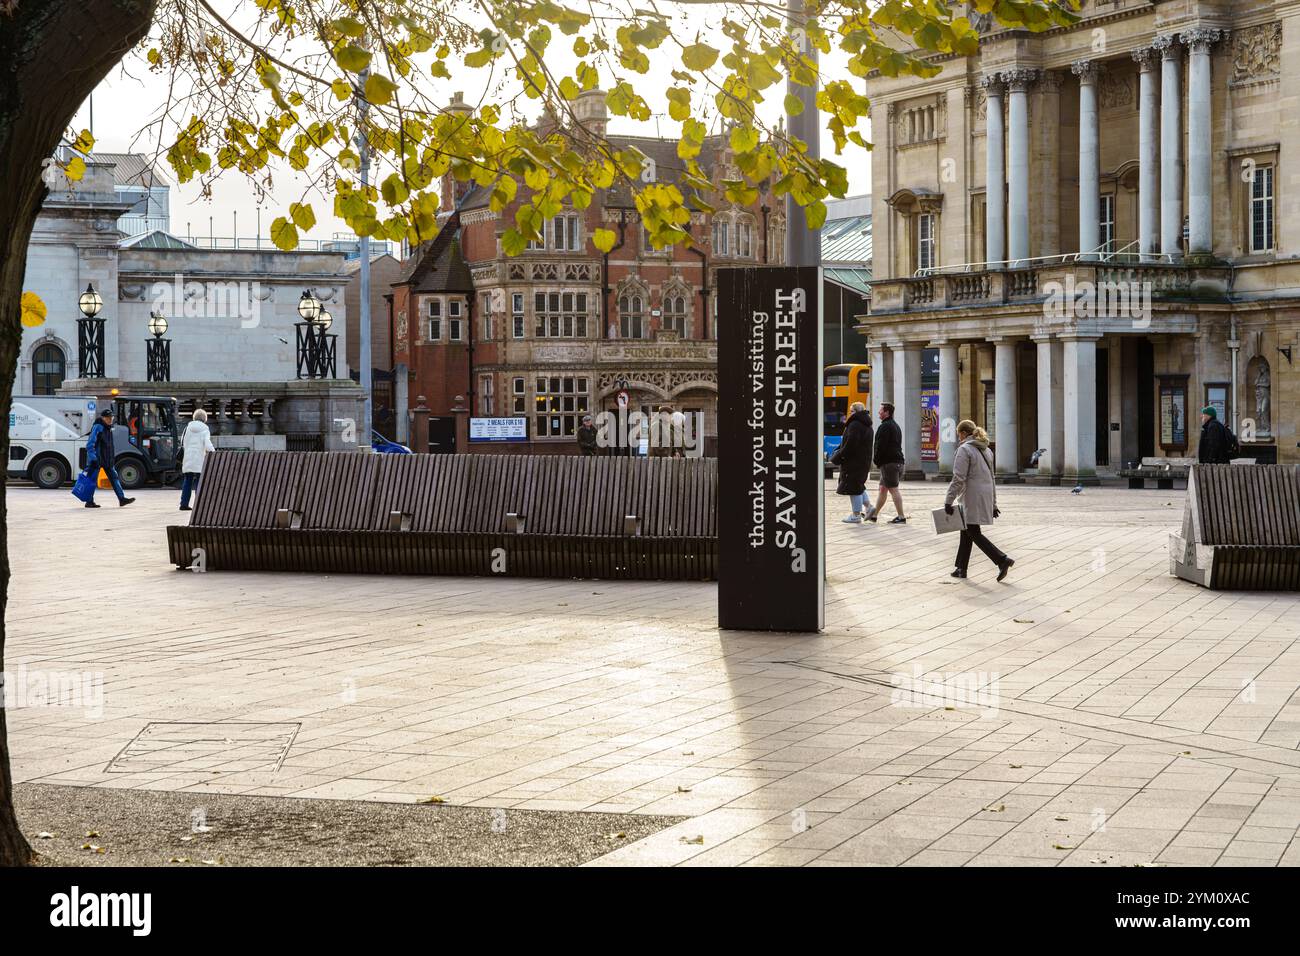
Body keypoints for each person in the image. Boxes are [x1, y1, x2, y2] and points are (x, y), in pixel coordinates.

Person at [944, 420, 1013, 581]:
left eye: (958, 434)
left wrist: (948, 500)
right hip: (984, 495)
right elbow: (992, 478)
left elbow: (958, 478)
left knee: (972, 531)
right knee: (966, 529)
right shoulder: (986, 449)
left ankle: (1002, 560)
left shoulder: (964, 450)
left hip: (971, 496)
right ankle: (961, 568)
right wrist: (993, 503)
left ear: (962, 433)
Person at [82, 408, 134, 509]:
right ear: (103, 418)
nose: (110, 419)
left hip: (107, 459)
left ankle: (122, 499)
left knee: (114, 478)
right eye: (108, 418)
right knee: (92, 481)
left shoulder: (108, 427)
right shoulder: (98, 427)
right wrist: (93, 458)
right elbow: (90, 444)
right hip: (97, 459)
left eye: (111, 417)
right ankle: (89, 502)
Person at [831, 402, 874, 522]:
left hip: (853, 462)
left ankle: (856, 515)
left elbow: (850, 444)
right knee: (858, 485)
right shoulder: (868, 425)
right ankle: (869, 507)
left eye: (851, 411)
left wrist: (839, 456)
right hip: (863, 461)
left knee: (853, 487)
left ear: (856, 412)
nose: (850, 413)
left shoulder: (855, 424)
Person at [866, 401, 907, 524]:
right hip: (896, 462)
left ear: (887, 412)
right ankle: (874, 515)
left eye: (881, 410)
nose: (879, 412)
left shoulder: (885, 426)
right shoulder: (895, 425)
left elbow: (880, 446)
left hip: (890, 463)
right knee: (883, 489)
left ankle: (901, 516)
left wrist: (876, 460)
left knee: (893, 489)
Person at [179, 407, 216, 511]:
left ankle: (184, 504)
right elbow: (207, 443)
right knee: (200, 482)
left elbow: (182, 442)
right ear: (204, 418)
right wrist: (213, 451)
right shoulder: (205, 428)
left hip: (188, 457)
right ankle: (199, 505)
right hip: (199, 458)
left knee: (187, 480)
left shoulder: (188, 427)